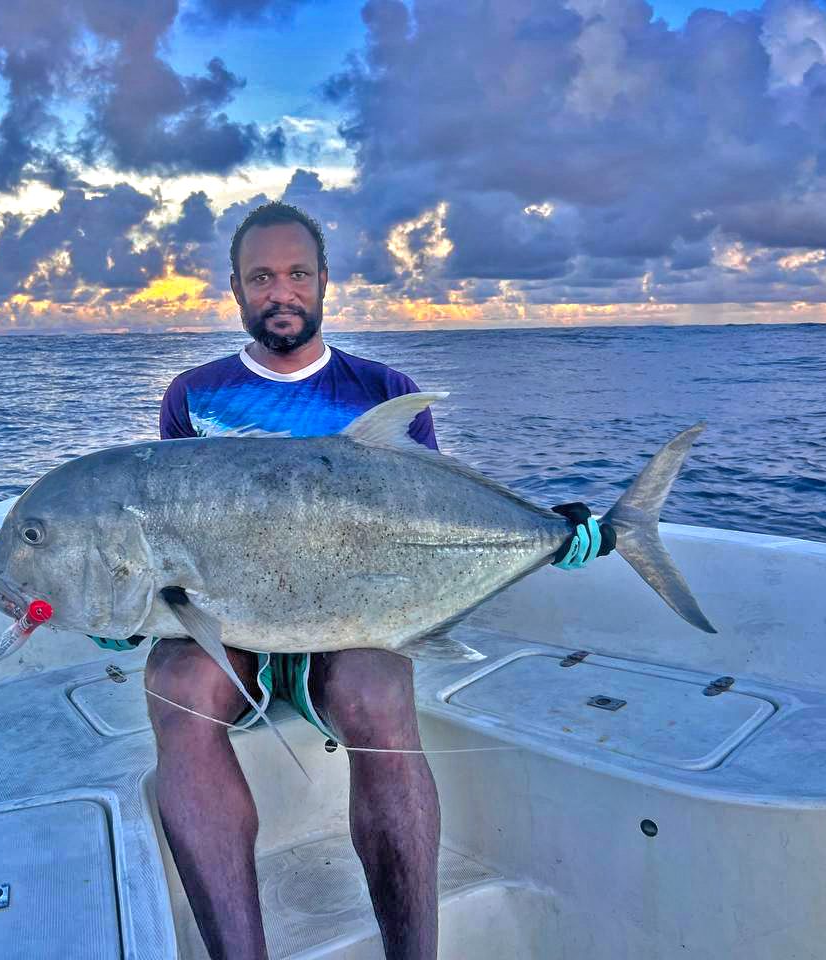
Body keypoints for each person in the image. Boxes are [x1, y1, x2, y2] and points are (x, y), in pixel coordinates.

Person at [92, 201, 605, 959]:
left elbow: (435, 520)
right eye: (261, 276)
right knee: (177, 685)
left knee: (377, 694)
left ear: (324, 281)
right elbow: (170, 530)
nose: (281, 292)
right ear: (235, 288)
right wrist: (119, 602)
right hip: (233, 619)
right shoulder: (192, 396)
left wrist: (549, 534)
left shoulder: (382, 388)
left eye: (297, 273)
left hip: (355, 611)